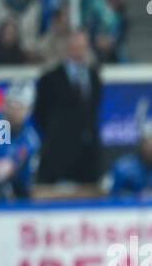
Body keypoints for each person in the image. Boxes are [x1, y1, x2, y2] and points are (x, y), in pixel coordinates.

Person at [34, 29, 102, 185]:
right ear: (67, 48)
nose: (79, 51)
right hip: (58, 152)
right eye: (75, 46)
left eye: (83, 46)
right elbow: (40, 113)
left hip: (87, 154)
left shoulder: (94, 77)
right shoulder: (50, 78)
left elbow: (94, 110)